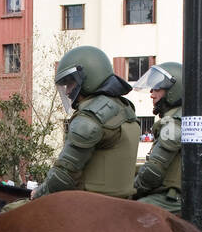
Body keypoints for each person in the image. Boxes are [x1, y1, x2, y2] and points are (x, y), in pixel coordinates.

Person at [31, 46, 139, 199]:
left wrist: (38, 193)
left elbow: (63, 177)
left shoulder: (91, 117)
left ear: (88, 77)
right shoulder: (124, 108)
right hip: (123, 203)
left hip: (88, 205)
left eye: (70, 83)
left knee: (8, 214)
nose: (67, 91)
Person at [132, 62, 184, 212]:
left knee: (124, 214)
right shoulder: (178, 119)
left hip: (170, 198)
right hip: (169, 193)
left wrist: (131, 190)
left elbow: (153, 172)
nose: (152, 94)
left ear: (174, 90)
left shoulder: (173, 124)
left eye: (157, 89)